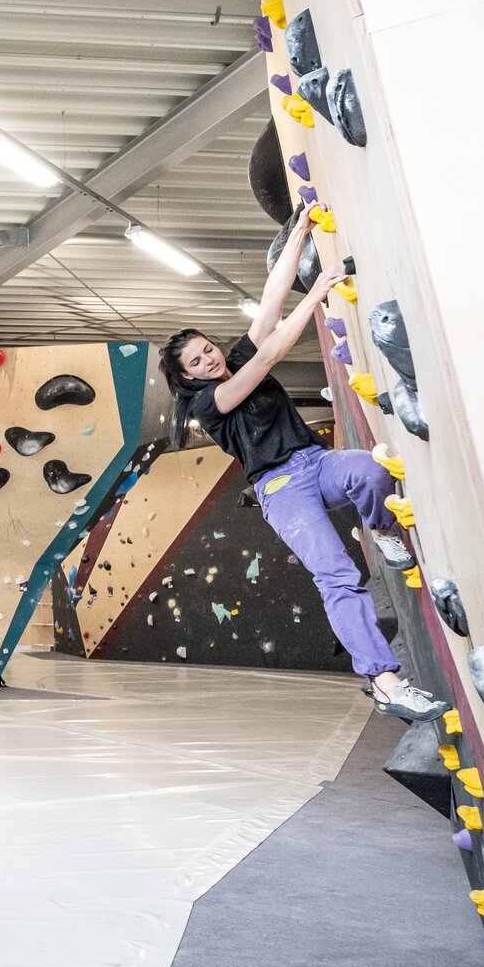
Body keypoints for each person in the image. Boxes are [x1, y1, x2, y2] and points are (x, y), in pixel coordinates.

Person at [159, 207, 447, 723]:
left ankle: (380, 528)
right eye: (198, 362)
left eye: (208, 349)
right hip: (281, 490)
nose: (210, 360)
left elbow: (272, 294)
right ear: (189, 377)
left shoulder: (236, 355)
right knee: (337, 576)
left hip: (317, 461)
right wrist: (316, 297)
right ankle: (386, 681)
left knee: (372, 472)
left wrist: (300, 233)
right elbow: (269, 356)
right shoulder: (210, 403)